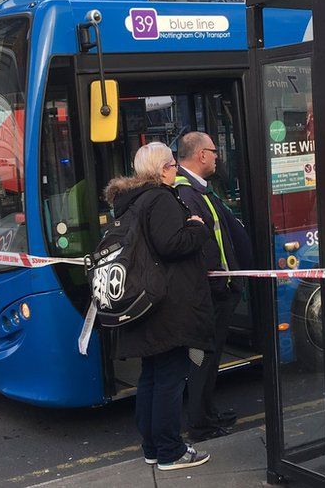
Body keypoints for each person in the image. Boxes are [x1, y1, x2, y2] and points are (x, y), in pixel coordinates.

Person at [103, 142, 215, 471]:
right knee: (169, 379)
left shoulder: (130, 203)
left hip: (143, 305)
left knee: (151, 378)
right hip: (166, 306)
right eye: (172, 166)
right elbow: (171, 244)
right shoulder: (161, 198)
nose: (176, 170)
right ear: (163, 169)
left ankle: (152, 447)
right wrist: (196, 225)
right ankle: (170, 451)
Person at [174, 132, 253, 442]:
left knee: (210, 358)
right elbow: (202, 245)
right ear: (200, 155)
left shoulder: (199, 190)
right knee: (202, 360)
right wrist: (222, 283)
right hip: (209, 294)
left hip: (219, 289)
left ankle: (208, 412)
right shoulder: (187, 192)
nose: (218, 156)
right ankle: (200, 424)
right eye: (213, 151)